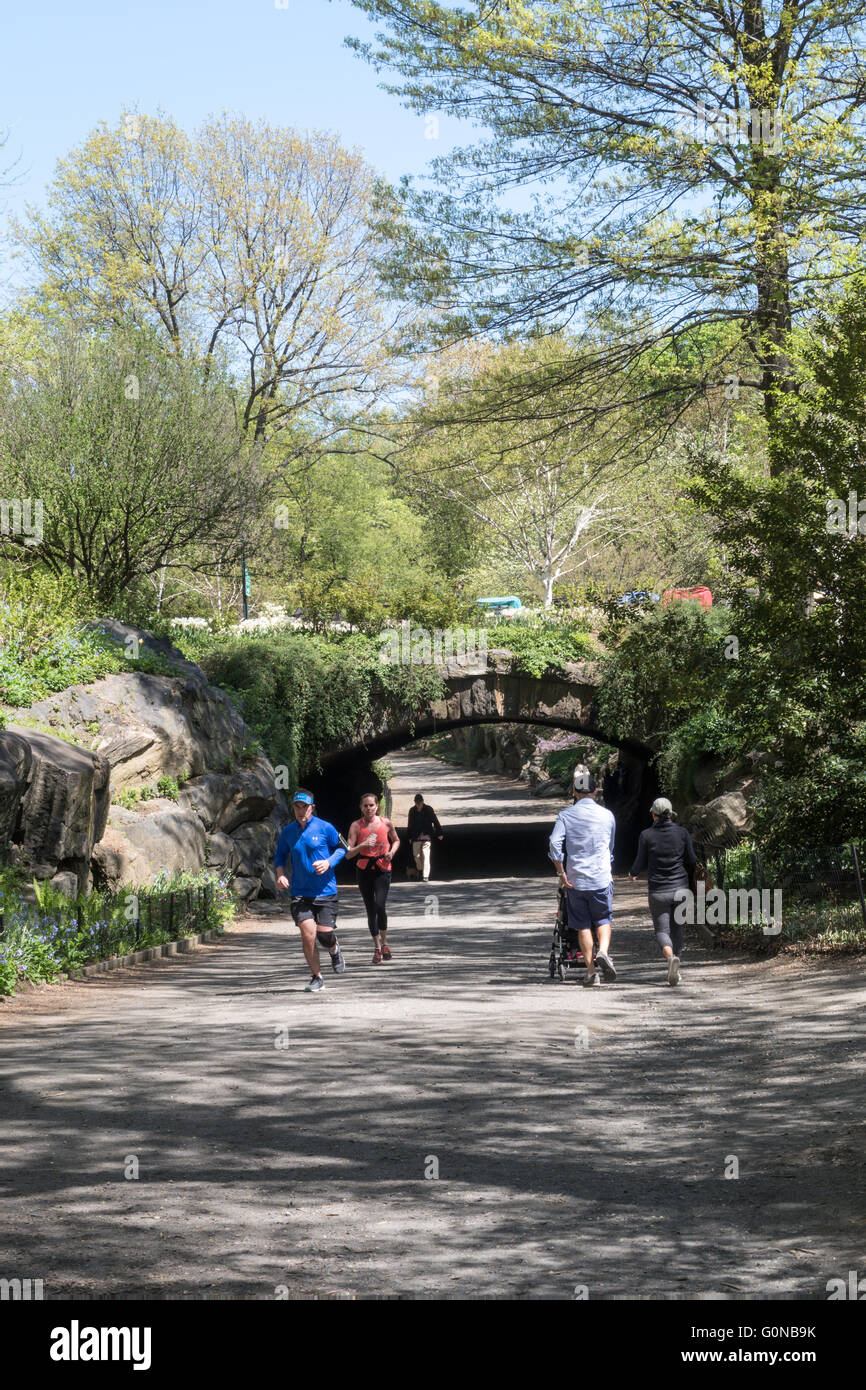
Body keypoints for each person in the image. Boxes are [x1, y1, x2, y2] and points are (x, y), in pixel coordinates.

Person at [549, 768, 617, 986]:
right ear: (596, 791)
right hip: (601, 878)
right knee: (604, 919)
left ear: (575, 792)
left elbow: (554, 843)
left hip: (576, 879)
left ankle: (591, 973)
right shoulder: (607, 815)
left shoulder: (566, 816)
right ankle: (604, 952)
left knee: (582, 926)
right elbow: (611, 845)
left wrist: (561, 872)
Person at [274, 790, 346, 993]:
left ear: (312, 807)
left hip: (325, 891)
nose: (300, 810)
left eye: (304, 806)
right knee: (307, 934)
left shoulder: (325, 827)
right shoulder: (288, 831)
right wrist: (280, 874)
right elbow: (279, 856)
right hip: (300, 892)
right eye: (297, 806)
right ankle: (317, 976)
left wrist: (329, 862)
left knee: (324, 936)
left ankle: (334, 948)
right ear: (293, 808)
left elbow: (343, 847)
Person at [629, 796, 697, 985]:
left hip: (659, 891)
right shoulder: (682, 833)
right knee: (677, 929)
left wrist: (632, 873)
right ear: (671, 813)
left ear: (654, 814)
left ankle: (670, 960)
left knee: (661, 931)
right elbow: (692, 859)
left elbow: (639, 862)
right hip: (680, 888)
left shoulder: (646, 835)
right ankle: (677, 965)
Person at [346, 792, 400, 963]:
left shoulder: (386, 823)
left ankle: (385, 943)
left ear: (377, 806)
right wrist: (362, 845)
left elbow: (396, 840)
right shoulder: (356, 826)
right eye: (365, 805)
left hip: (383, 868)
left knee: (380, 905)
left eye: (371, 805)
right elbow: (348, 854)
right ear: (361, 807)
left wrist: (391, 852)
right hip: (364, 870)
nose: (369, 808)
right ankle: (377, 947)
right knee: (370, 910)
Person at [406, 793, 443, 882]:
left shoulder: (428, 809)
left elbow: (435, 821)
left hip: (427, 837)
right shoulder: (412, 811)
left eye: (419, 802)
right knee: (417, 856)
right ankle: (420, 869)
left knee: (426, 856)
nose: (418, 804)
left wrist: (439, 833)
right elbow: (410, 824)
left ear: (423, 801)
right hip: (416, 837)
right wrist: (409, 836)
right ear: (414, 802)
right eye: (416, 802)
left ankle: (425, 876)